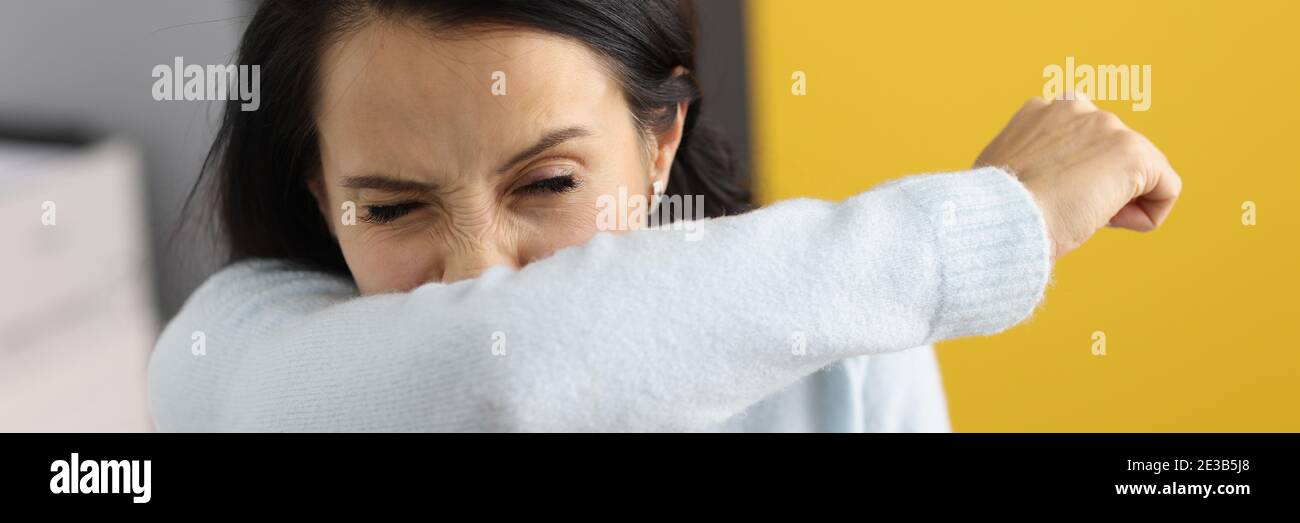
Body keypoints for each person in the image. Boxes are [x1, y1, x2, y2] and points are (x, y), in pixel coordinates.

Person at [149, 0, 1181, 432]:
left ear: (659, 143)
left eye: (546, 184)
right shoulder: (234, 347)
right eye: (390, 205)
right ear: (311, 186)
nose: (477, 275)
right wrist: (988, 226)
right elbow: (502, 377)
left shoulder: (842, 360)